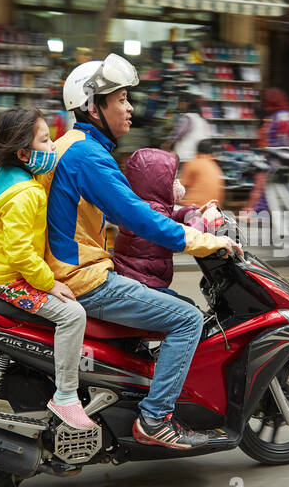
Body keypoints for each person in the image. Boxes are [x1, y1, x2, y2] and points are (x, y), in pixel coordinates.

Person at [44, 54, 241, 451]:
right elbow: (139, 219)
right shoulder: (87, 156)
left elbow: (131, 206)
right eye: (120, 99)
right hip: (84, 278)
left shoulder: (74, 146)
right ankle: (155, 419)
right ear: (92, 107)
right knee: (186, 319)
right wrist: (209, 241)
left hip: (74, 269)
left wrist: (182, 208)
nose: (129, 107)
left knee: (170, 302)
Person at [0, 107, 94, 430]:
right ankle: (65, 395)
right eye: (46, 140)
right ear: (23, 153)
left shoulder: (4, 175)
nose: (53, 146)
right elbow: (20, 253)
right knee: (72, 314)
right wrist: (48, 283)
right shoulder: (24, 194)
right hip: (8, 279)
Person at [113, 147, 218, 299]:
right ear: (156, 182)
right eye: (172, 180)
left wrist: (196, 212)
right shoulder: (151, 209)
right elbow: (176, 234)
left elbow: (168, 220)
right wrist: (205, 223)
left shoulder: (146, 205)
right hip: (143, 282)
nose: (177, 184)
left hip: (139, 277)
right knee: (190, 311)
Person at [164, 92, 212, 162]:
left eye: (179, 102)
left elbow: (176, 134)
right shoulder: (202, 119)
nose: (178, 105)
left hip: (184, 156)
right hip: (198, 157)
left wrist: (167, 144)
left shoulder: (187, 118)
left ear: (185, 103)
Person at [179, 138, 225, 208]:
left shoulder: (192, 164)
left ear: (197, 151)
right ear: (212, 154)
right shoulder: (217, 169)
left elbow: (179, 189)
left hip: (194, 209)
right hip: (213, 211)